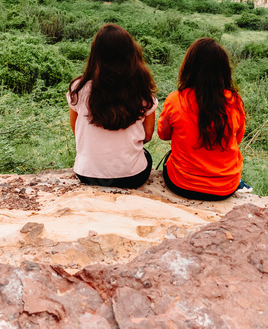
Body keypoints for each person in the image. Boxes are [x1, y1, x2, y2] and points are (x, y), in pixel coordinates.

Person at [157, 38, 248, 201]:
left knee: (171, 157)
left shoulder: (175, 100)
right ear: (224, 70)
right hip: (225, 188)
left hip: (182, 184)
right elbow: (237, 139)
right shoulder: (234, 100)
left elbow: (163, 134)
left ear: (189, 66)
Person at [68, 24, 157, 189]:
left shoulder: (78, 88)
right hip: (132, 177)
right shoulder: (141, 89)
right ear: (131, 53)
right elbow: (148, 135)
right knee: (145, 157)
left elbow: (76, 130)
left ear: (95, 55)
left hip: (87, 174)